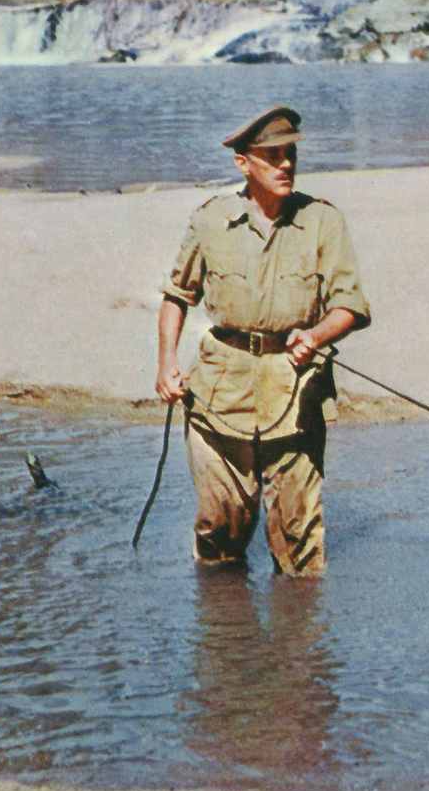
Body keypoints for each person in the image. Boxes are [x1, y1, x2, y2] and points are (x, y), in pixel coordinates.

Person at [155, 105, 369, 576]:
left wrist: (315, 334)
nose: (286, 165)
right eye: (272, 156)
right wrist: (166, 363)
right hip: (218, 394)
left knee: (299, 542)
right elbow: (176, 296)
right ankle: (228, 641)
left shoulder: (322, 222)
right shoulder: (210, 221)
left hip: (295, 392)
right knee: (219, 530)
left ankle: (302, 648)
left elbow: (350, 307)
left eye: (290, 154)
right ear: (243, 163)